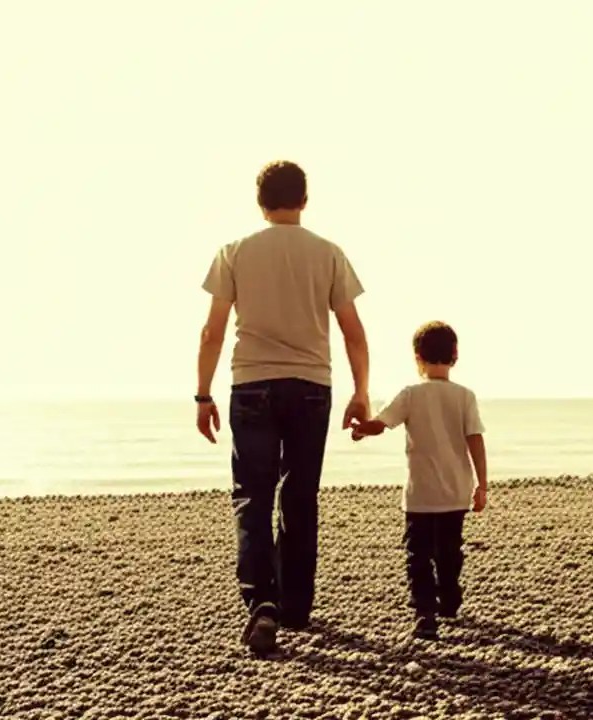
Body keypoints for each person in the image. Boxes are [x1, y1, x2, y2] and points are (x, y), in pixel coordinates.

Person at [195, 160, 371, 654]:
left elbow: (212, 332)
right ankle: (295, 606)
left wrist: (203, 393)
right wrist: (361, 392)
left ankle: (260, 604)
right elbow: (353, 331)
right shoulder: (328, 253)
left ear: (260, 201)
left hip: (251, 384)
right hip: (312, 385)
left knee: (252, 495)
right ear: (305, 200)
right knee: (299, 495)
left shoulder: (234, 252)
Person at [349, 321, 487, 640]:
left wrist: (360, 428)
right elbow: (475, 441)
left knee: (418, 554)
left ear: (417, 357)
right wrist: (482, 485)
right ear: (455, 355)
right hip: (455, 491)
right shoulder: (465, 396)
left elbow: (382, 423)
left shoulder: (411, 394)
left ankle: (425, 612)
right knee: (450, 550)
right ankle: (450, 598)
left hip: (420, 495)